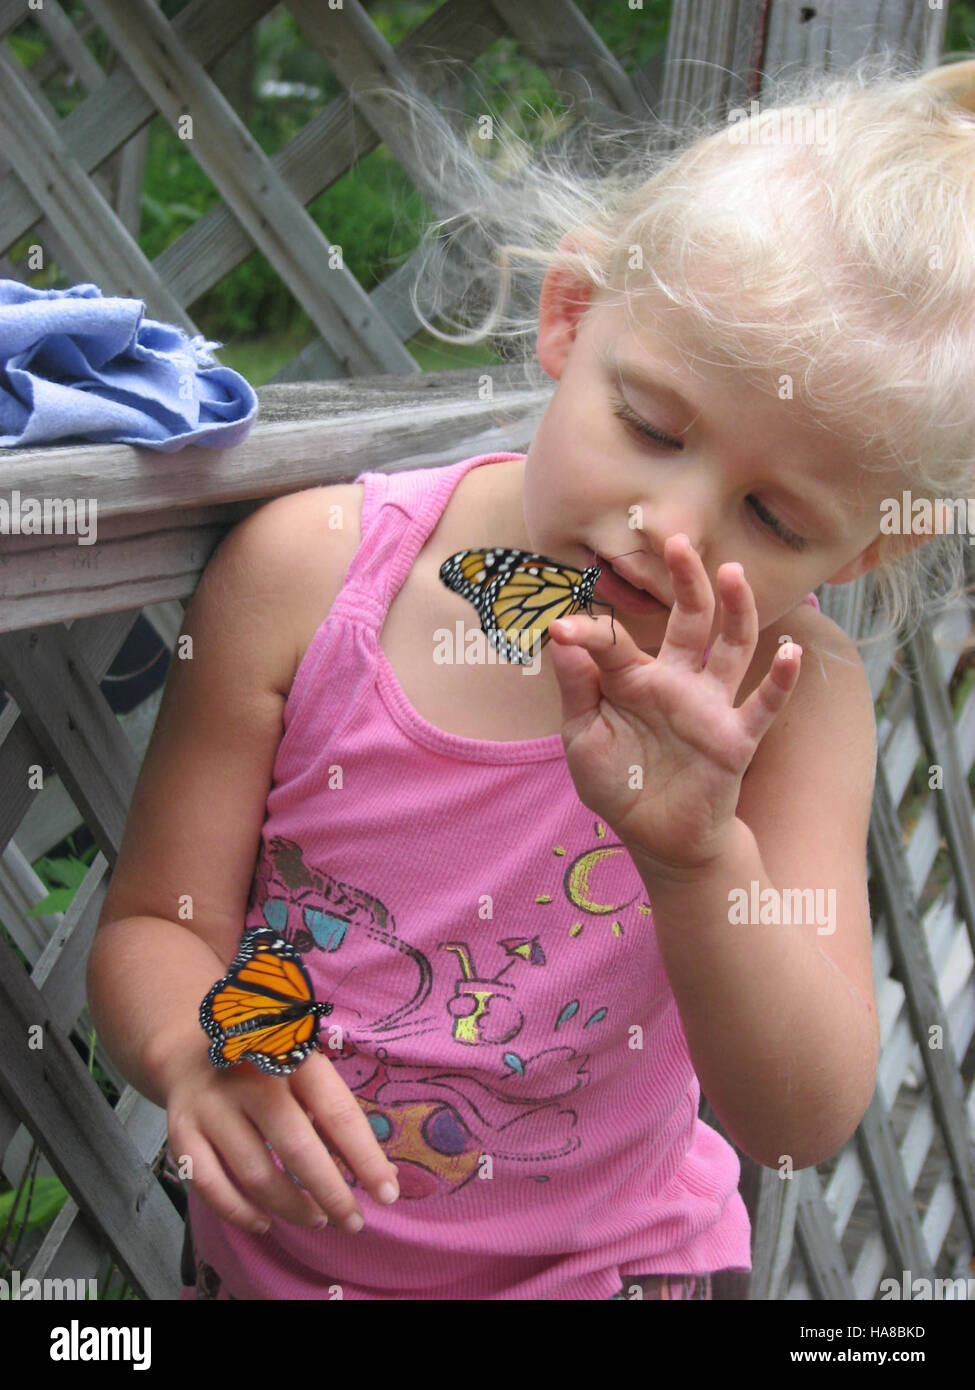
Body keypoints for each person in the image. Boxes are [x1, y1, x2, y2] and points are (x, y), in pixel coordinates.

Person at [86, 60, 975, 1300]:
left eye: (773, 514)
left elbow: (797, 1120)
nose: (672, 528)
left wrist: (697, 861)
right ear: (568, 314)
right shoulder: (314, 575)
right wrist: (203, 1047)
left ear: (870, 548)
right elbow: (152, 927)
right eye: (654, 427)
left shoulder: (791, 697)